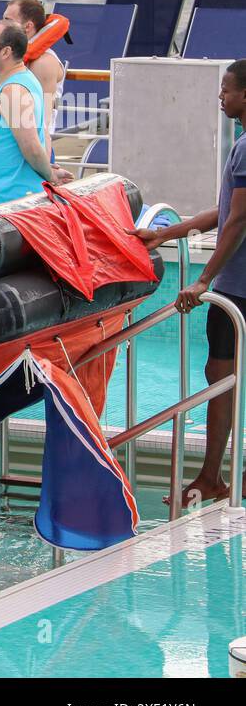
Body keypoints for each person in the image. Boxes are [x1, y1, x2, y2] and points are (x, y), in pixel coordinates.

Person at [130, 60, 246, 509]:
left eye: (226, 90)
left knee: (220, 377)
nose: (221, 97)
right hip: (235, 284)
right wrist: (166, 233)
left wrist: (202, 279)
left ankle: (212, 477)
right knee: (222, 377)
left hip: (237, 289)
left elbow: (237, 221)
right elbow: (224, 210)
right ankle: (213, 475)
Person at [0, 20, 72, 208]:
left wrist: (49, 175)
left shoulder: (14, 90)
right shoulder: (21, 81)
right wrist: (47, 168)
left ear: (5, 52)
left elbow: (32, 146)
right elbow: (42, 131)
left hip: (12, 202)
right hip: (8, 199)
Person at [4, 0, 66, 136]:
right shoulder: (12, 56)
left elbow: (44, 119)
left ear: (28, 26)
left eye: (8, 20)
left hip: (30, 144)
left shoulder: (43, 62)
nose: (2, 25)